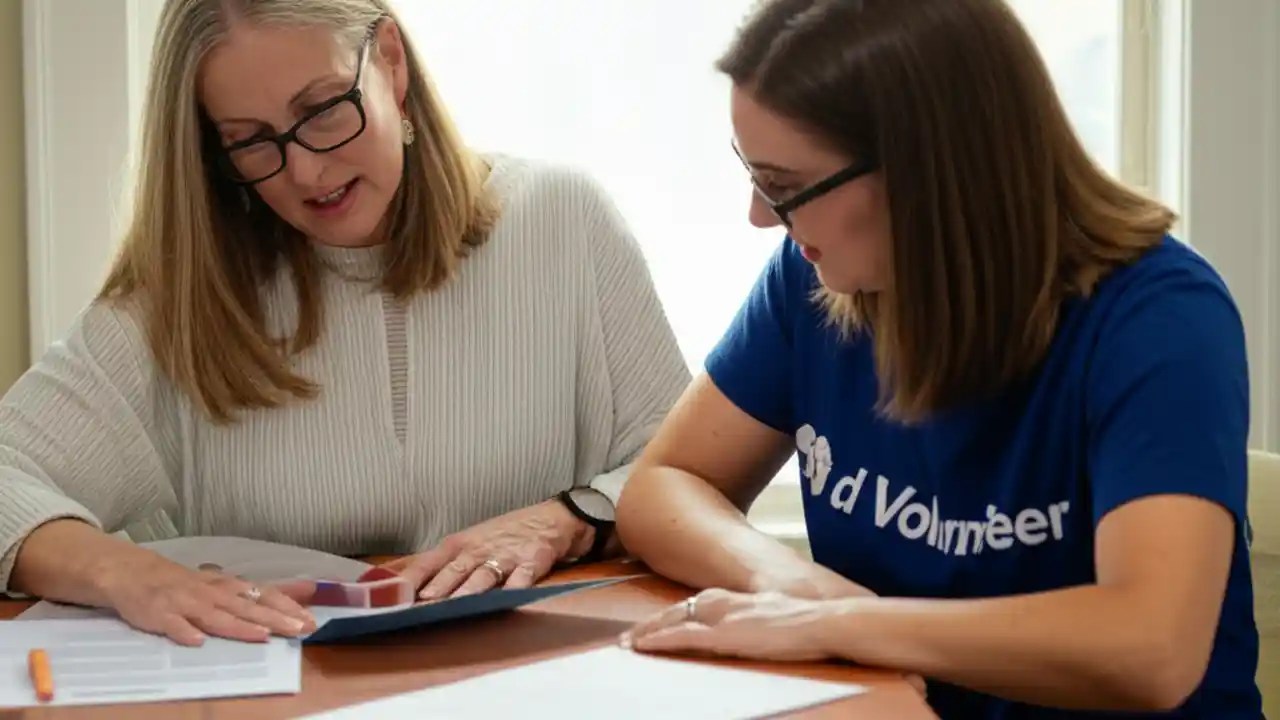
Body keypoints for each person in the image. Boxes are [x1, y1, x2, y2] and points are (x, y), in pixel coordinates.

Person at [614, 0, 1262, 717]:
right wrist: (798, 590)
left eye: (785, 187)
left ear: (924, 173)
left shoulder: (1160, 318)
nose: (760, 216)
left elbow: (1150, 650)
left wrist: (842, 625)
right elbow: (664, 485)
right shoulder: (815, 280)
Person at [0, 0, 689, 647]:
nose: (305, 172)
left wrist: (566, 519)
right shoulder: (180, 300)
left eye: (323, 109)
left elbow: (688, 476)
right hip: (289, 687)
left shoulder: (562, 220)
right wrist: (129, 573)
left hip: (532, 676)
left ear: (390, 60)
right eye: (251, 141)